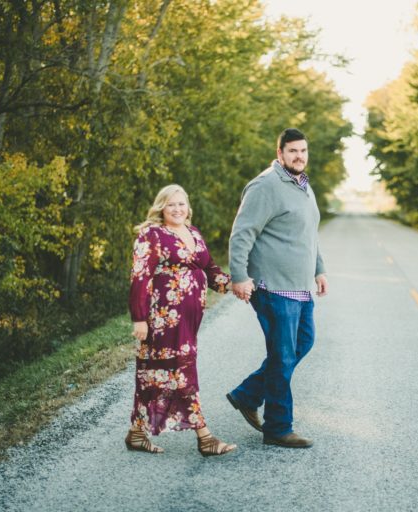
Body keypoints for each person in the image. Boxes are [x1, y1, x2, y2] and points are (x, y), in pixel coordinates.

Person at [226, 128, 328, 448]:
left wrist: (319, 269)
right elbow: (242, 233)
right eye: (293, 151)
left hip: (299, 287)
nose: (299, 156)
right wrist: (239, 276)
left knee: (302, 344)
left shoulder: (302, 186)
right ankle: (278, 427)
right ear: (280, 152)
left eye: (304, 150)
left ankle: (247, 394)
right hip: (272, 286)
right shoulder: (266, 185)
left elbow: (309, 234)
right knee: (282, 356)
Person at [126, 184, 237, 457]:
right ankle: (205, 437)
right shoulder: (151, 235)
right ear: (161, 207)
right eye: (171, 204)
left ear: (188, 207)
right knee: (180, 372)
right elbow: (140, 278)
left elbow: (209, 269)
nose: (177, 209)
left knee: (155, 373)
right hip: (163, 319)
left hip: (189, 319)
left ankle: (137, 434)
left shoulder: (194, 233)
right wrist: (139, 319)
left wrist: (234, 285)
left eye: (181, 204)